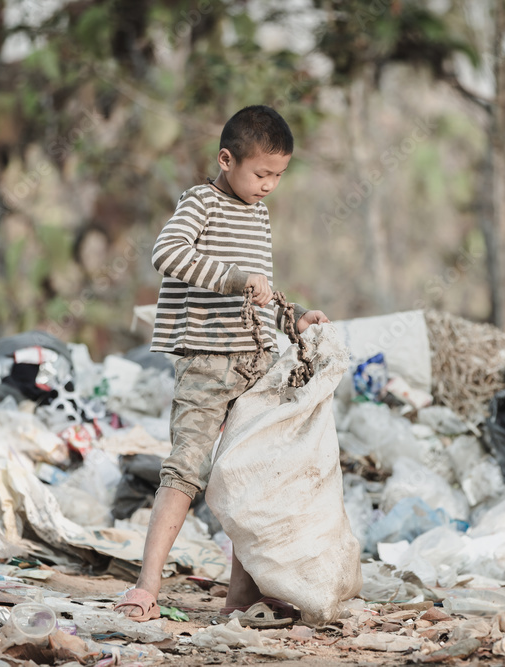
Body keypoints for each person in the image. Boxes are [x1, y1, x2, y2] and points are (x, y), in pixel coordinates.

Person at [114, 105, 329, 622]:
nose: (269, 185)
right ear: (226, 160)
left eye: (278, 176)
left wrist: (294, 317)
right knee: (186, 467)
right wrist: (235, 279)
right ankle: (146, 587)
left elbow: (259, 291)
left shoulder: (259, 215)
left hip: (257, 361)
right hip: (207, 360)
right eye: (261, 173)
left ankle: (242, 597)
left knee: (250, 475)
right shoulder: (201, 202)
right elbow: (167, 252)